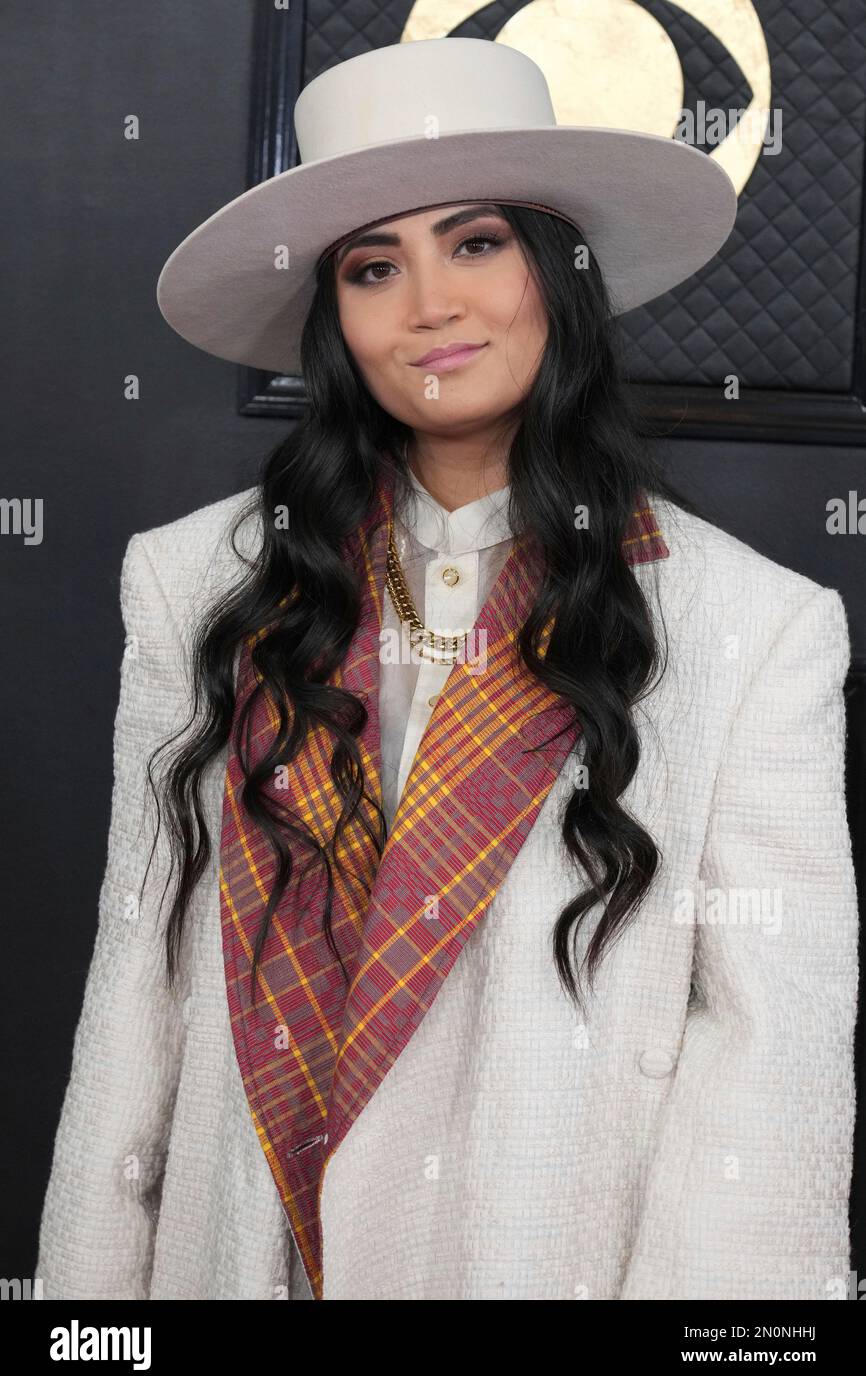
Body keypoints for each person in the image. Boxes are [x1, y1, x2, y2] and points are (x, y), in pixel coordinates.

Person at [35, 37, 858, 1301]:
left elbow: (769, 1065)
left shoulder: (749, 625)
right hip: (244, 1250)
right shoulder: (196, 582)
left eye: (474, 243)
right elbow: (136, 981)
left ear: (557, 273)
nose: (429, 305)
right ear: (333, 317)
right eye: (374, 266)